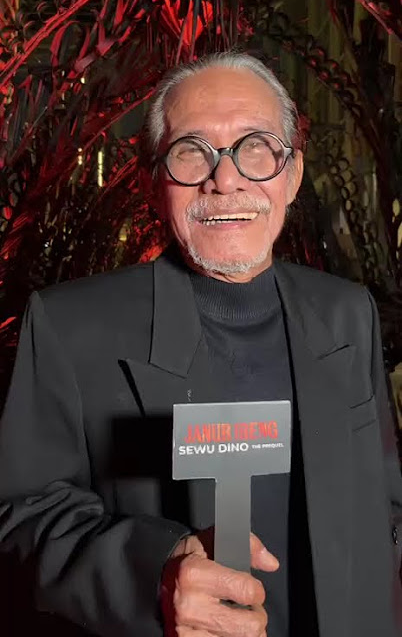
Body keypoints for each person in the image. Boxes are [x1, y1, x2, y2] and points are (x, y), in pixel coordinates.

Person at [0, 52, 401, 637]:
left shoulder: (347, 312)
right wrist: (154, 575)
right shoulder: (68, 326)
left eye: (256, 147)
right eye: (192, 151)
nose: (226, 179)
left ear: (292, 175)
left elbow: (386, 499)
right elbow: (21, 517)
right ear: (154, 182)